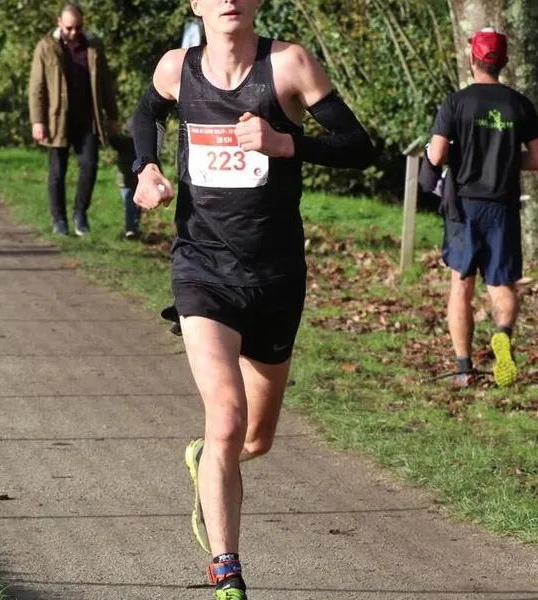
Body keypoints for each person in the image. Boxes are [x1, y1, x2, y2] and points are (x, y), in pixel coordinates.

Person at [129, 1, 374, 597]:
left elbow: (358, 146)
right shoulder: (176, 68)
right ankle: (227, 572)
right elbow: (145, 115)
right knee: (227, 418)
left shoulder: (288, 66)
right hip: (201, 269)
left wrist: (284, 142)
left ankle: (206, 457)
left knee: (254, 440)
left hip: (276, 276)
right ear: (196, 3)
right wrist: (146, 167)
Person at [425, 27, 538, 388]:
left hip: (463, 206)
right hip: (503, 207)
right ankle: (503, 335)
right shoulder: (520, 104)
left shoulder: (455, 103)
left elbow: (435, 154)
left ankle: (464, 368)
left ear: (472, 59)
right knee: (501, 283)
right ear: (504, 62)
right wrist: (508, 160)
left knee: (461, 284)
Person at [28, 3, 119, 236]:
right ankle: (59, 220)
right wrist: (37, 121)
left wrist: (112, 116)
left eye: (78, 27)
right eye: (69, 27)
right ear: (59, 22)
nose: (73, 32)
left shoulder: (93, 46)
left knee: (89, 166)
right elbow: (36, 87)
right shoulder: (46, 47)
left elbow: (106, 83)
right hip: (56, 119)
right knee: (57, 172)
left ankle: (80, 214)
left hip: (87, 118)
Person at [110, 117, 165, 239]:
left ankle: (133, 228)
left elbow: (112, 138)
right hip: (132, 182)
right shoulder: (140, 144)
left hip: (132, 182)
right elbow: (154, 161)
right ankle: (131, 228)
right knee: (133, 205)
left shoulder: (126, 143)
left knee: (134, 205)